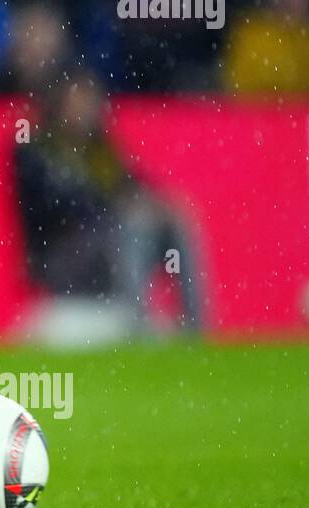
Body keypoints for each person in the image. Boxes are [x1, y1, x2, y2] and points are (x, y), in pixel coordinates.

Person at [14, 69, 202, 342]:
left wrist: (158, 205)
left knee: (175, 219)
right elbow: (54, 206)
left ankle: (195, 326)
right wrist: (116, 209)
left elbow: (132, 185)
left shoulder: (100, 151)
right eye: (76, 102)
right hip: (62, 253)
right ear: (58, 105)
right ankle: (136, 321)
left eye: (89, 102)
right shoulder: (36, 150)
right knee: (130, 228)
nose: (83, 110)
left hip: (107, 244)